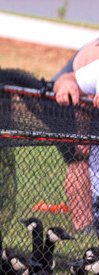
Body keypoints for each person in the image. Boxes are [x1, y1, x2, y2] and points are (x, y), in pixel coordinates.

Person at [52, 38, 99, 233]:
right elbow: (67, 80)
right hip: (68, 111)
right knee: (79, 156)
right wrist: (66, 87)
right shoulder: (93, 60)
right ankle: (84, 226)